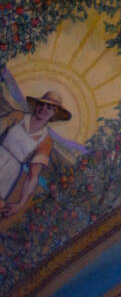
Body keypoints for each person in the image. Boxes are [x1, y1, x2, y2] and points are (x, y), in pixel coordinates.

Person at [0, 89, 71, 219]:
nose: (43, 108)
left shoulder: (45, 141)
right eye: (41, 104)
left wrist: (21, 203)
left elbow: (33, 175)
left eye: (49, 107)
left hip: (8, 174)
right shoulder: (17, 117)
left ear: (53, 115)